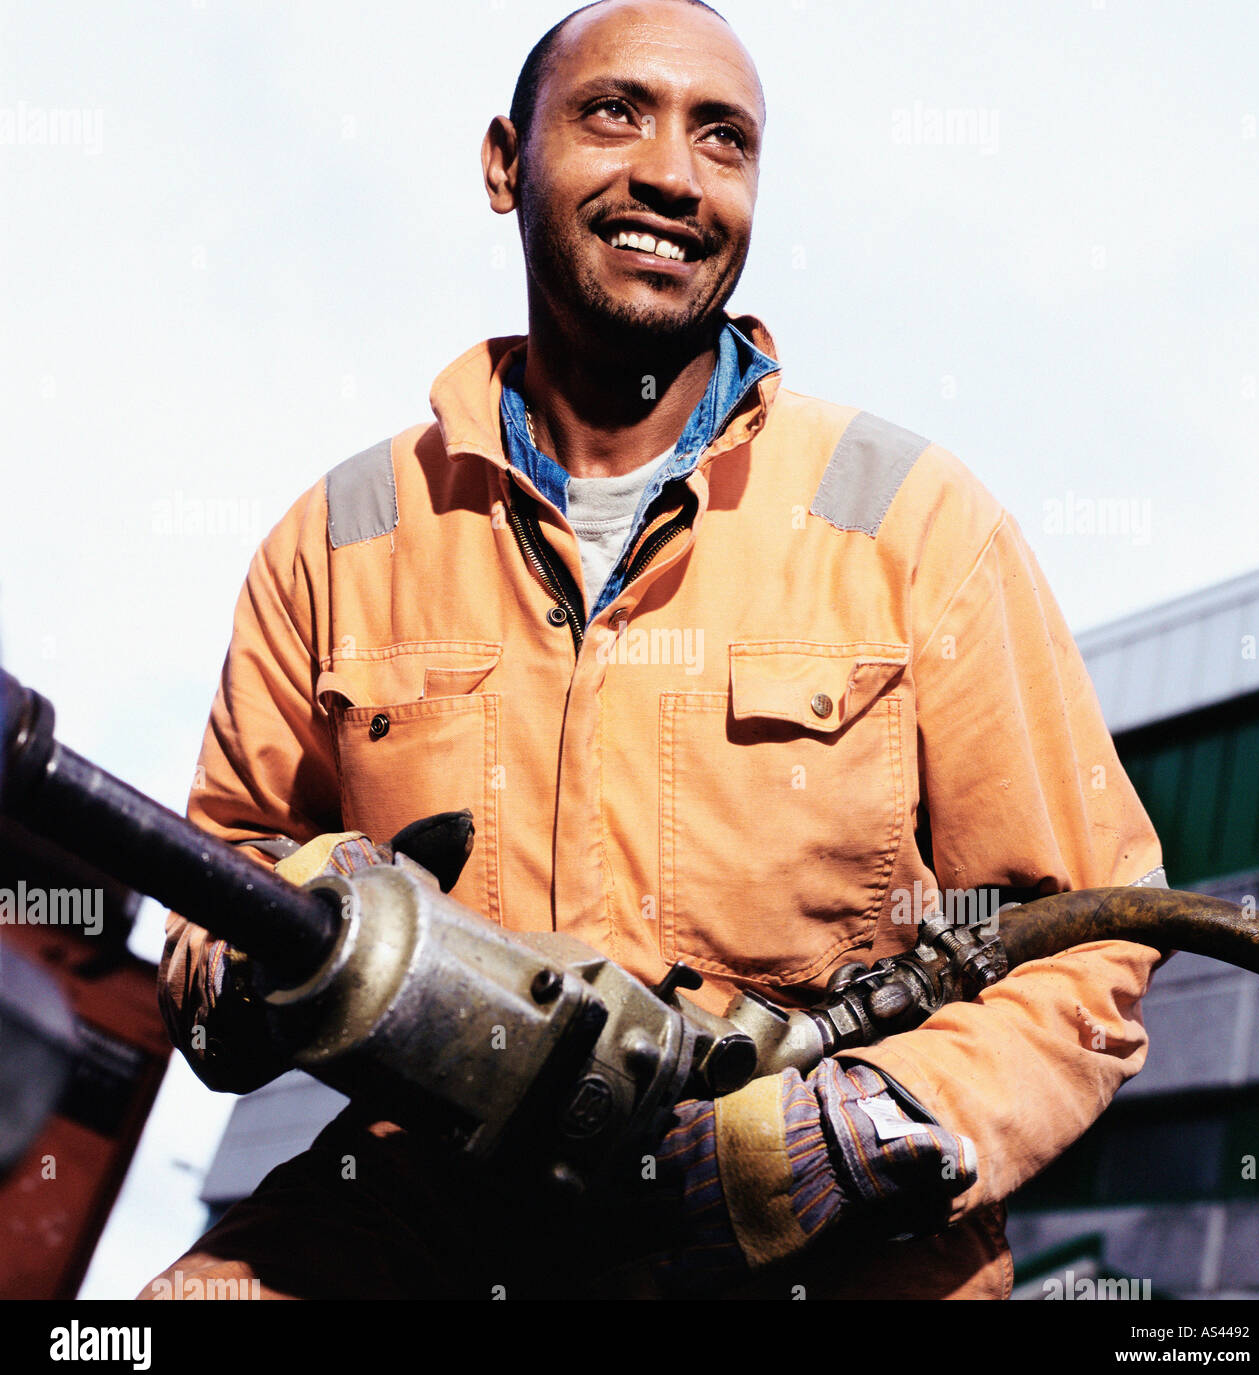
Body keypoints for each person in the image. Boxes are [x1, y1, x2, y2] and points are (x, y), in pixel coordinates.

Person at [140, 0, 1165, 1300]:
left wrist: (879, 1122)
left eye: (722, 138)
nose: (673, 174)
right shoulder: (343, 538)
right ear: (507, 163)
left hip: (809, 1232)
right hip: (440, 1209)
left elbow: (1086, 927)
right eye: (615, 113)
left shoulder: (910, 520)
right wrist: (246, 957)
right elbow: (216, 871)